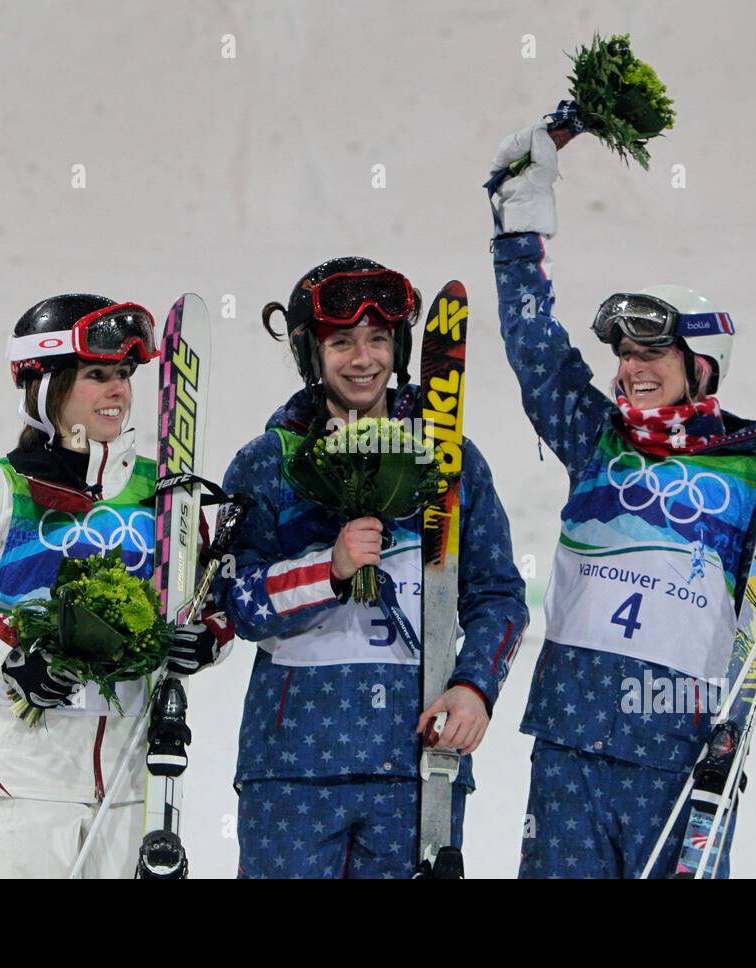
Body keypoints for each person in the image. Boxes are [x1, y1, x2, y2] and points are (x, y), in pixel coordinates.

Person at [486, 121, 756, 878]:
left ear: (703, 365)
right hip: (571, 742)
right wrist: (518, 228)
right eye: (623, 353)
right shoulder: (599, 441)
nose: (630, 368)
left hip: (680, 752)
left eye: (651, 352)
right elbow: (535, 351)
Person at [214, 258, 528, 878]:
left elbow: (498, 595)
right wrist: (326, 571)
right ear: (310, 350)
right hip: (293, 765)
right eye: (342, 342)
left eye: (378, 338)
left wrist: (474, 686)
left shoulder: (452, 460)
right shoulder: (266, 464)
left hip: (416, 761)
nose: (363, 359)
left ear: (400, 345)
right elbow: (235, 603)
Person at [0, 294, 232, 878]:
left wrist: (206, 639)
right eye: (97, 375)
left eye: (125, 375)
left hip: (137, 775)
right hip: (25, 780)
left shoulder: (167, 495)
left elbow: (214, 600)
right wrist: (15, 655)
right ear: (46, 385)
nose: (119, 391)